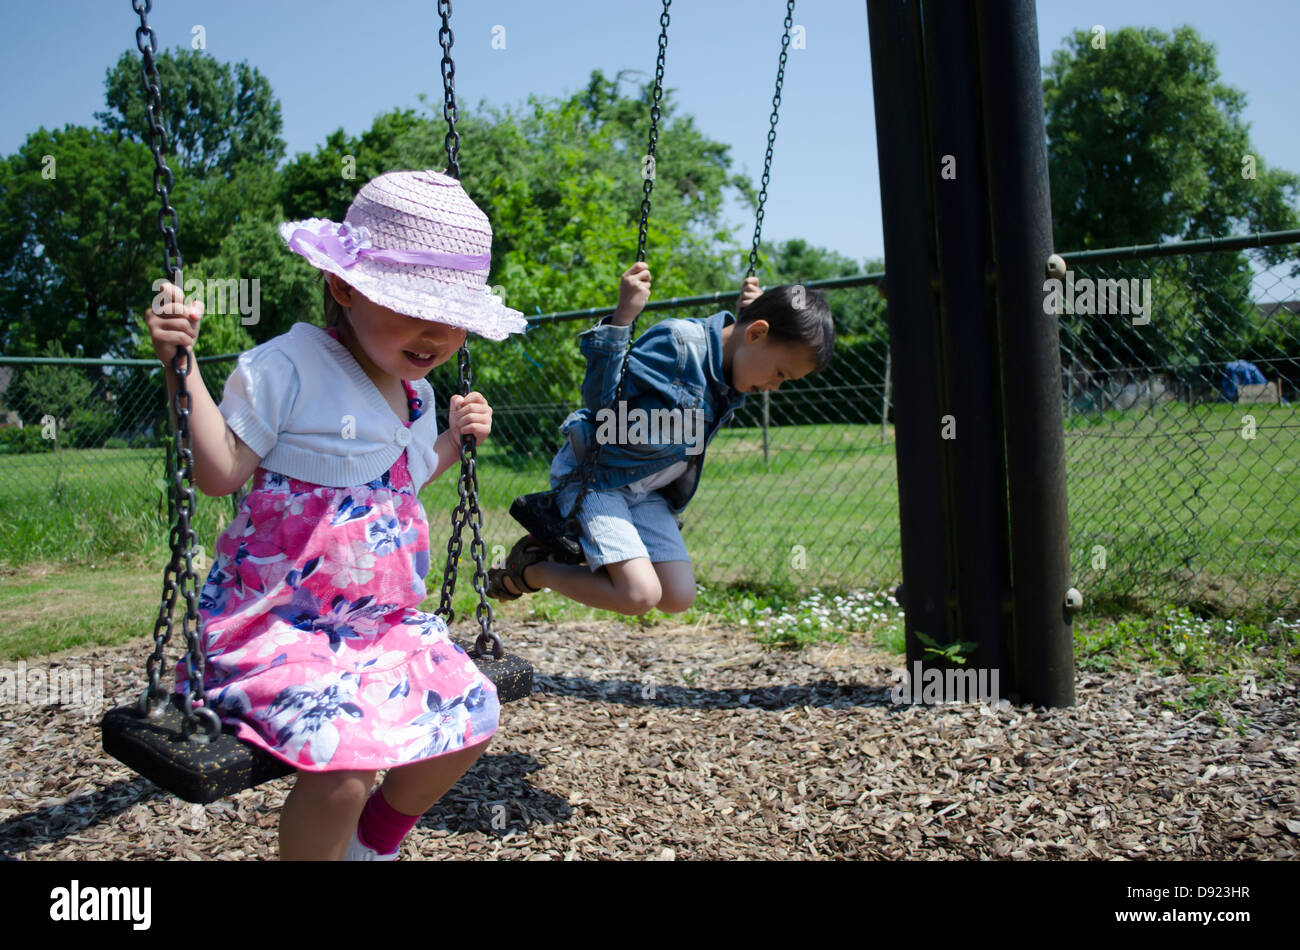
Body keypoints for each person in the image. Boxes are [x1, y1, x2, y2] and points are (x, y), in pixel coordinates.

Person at [144, 170, 526, 860]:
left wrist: (450, 440)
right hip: (279, 627)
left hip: (379, 625)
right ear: (345, 288)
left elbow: (401, 475)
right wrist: (183, 366)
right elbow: (219, 471)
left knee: (473, 712)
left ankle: (373, 844)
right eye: (411, 305)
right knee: (344, 768)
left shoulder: (417, 392)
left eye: (452, 313)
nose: (436, 331)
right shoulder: (287, 367)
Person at [488, 262, 834, 615]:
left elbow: (738, 349)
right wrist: (622, 319)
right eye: (780, 374)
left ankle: (560, 558)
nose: (774, 387)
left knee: (678, 596)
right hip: (599, 479)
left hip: (649, 491)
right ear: (757, 334)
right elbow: (601, 403)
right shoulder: (677, 345)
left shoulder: (737, 362)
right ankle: (533, 568)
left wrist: (747, 317)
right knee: (638, 594)